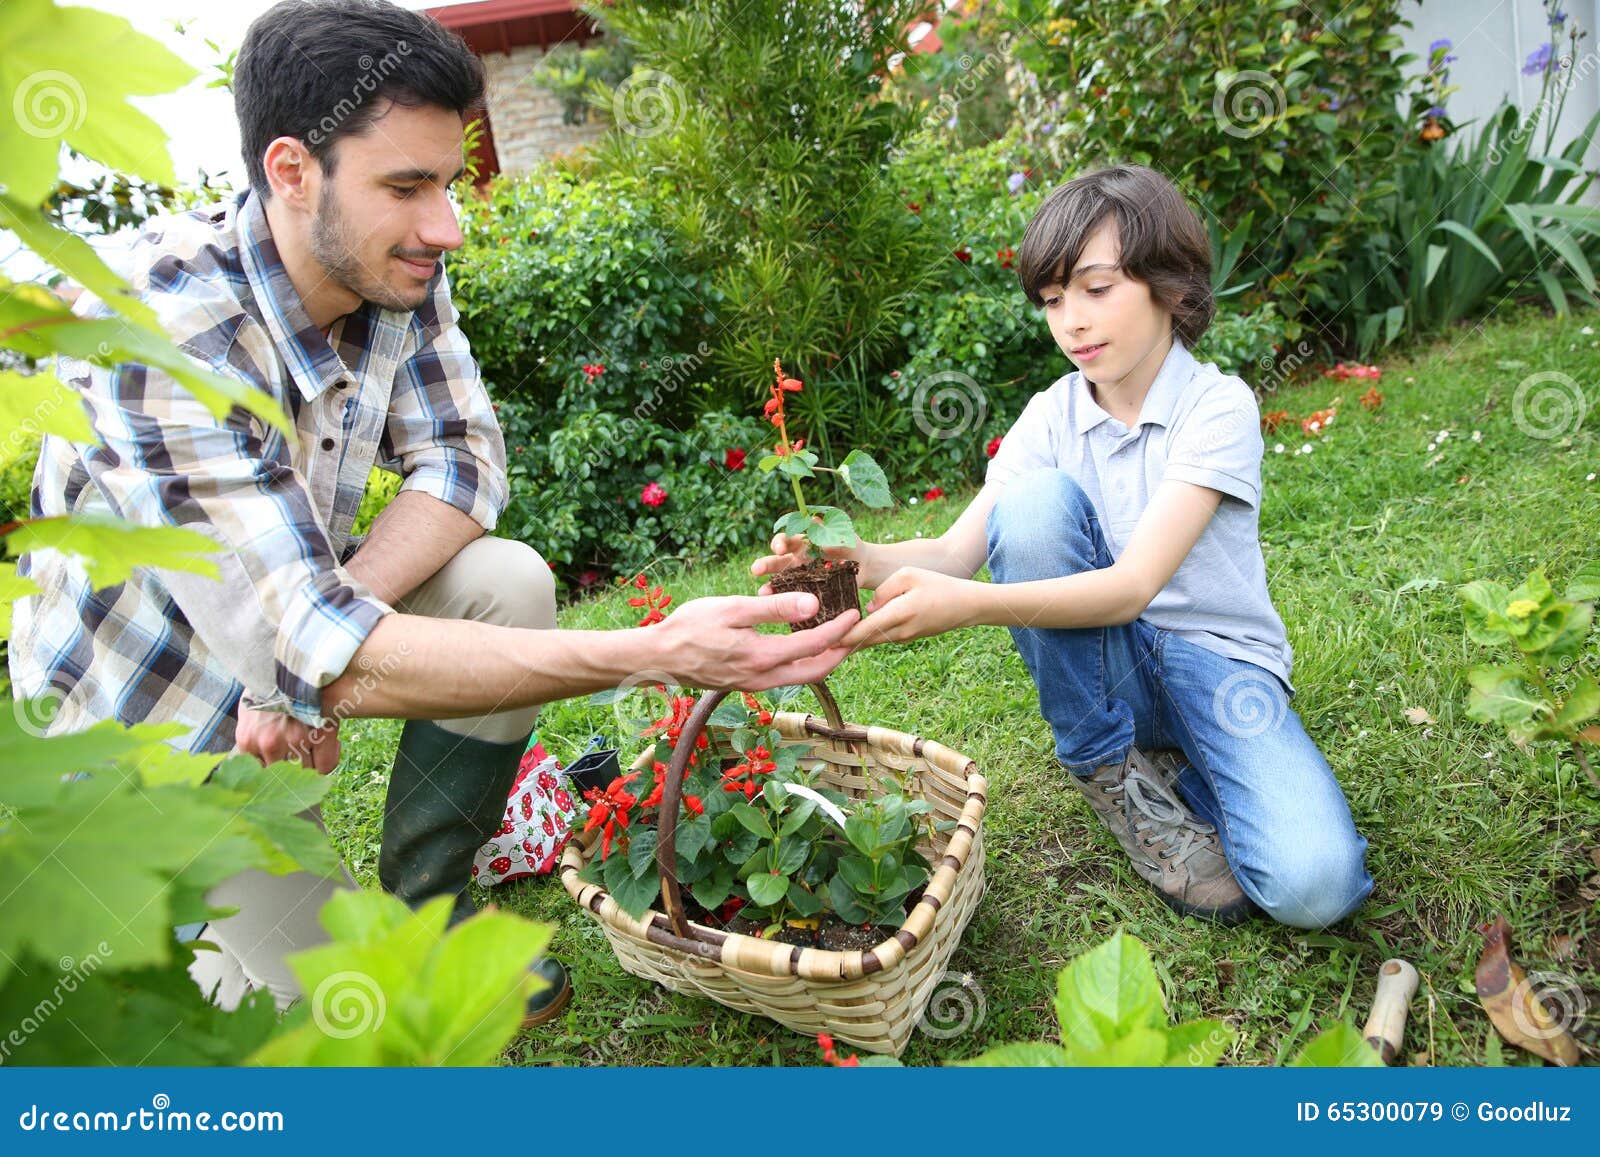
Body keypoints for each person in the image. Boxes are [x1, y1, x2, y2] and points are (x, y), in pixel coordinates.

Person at [8, 0, 856, 1028]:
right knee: (339, 1024)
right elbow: (322, 644)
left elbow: (462, 462)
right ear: (289, 171)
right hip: (151, 736)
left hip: (283, 645)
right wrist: (650, 650)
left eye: (447, 183)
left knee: (508, 581)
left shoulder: (394, 267)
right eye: (406, 186)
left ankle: (428, 912)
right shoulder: (162, 324)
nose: (444, 225)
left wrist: (302, 654)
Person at [753, 164, 1372, 929]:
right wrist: (857, 558)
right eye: (1052, 300)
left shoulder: (1217, 405)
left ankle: (1184, 771)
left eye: (1097, 288)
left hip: (1221, 668)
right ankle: (1111, 768)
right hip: (1109, 667)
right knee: (1035, 504)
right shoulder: (1051, 415)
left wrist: (972, 607)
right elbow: (954, 553)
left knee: (1317, 889)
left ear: (1169, 285)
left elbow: (1135, 583)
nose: (1071, 320)